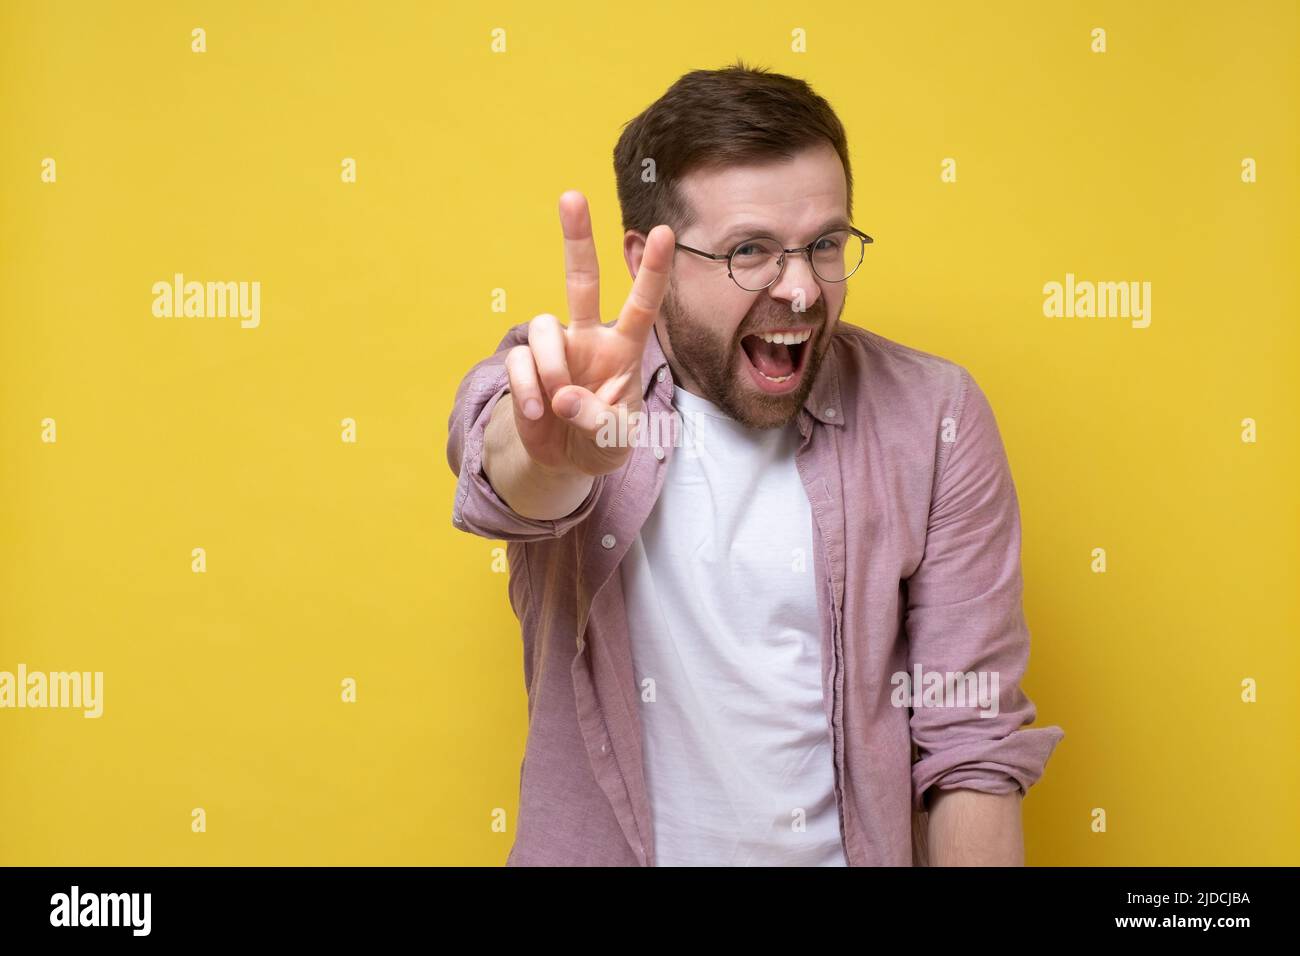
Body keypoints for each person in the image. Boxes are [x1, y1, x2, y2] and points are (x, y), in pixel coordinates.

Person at [447, 61, 1063, 866]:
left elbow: (971, 739)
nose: (802, 291)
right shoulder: (565, 386)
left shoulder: (934, 416)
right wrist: (554, 460)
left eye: (827, 245)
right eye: (749, 251)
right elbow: (504, 472)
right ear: (646, 260)